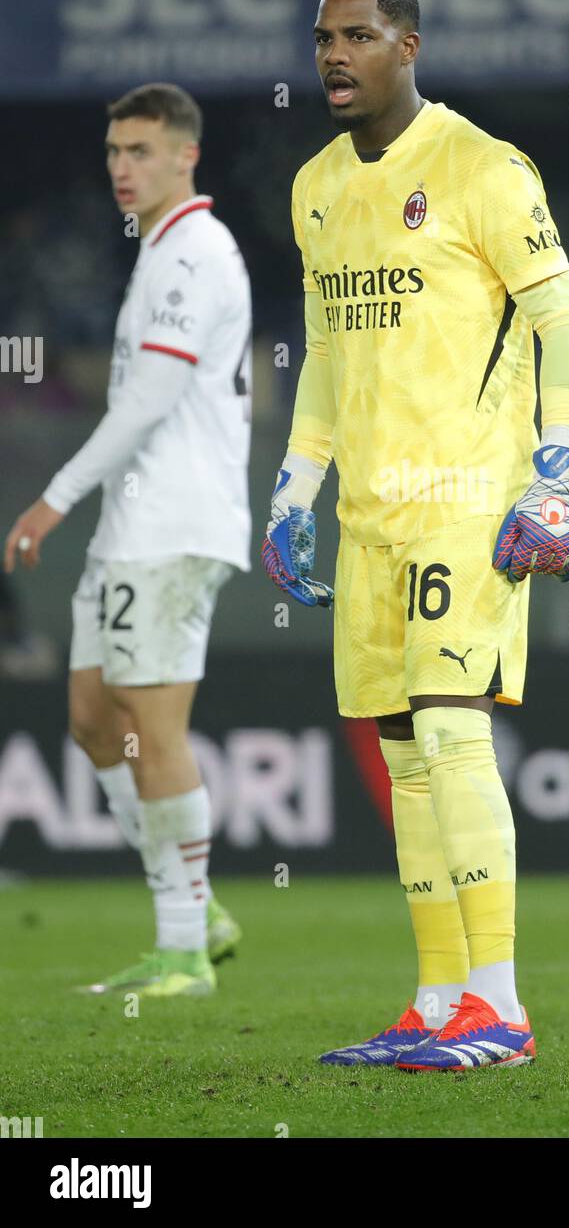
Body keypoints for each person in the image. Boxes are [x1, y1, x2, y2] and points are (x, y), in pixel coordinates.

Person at [262, 0, 569, 1070]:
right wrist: (291, 492)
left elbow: (562, 316)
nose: (333, 55)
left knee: (452, 732)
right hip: (369, 519)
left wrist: (558, 475)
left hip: (469, 500)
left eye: (357, 36)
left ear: (407, 44)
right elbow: (321, 355)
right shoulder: (313, 188)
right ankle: (439, 1002)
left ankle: (500, 1008)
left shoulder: (482, 167)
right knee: (402, 755)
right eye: (322, 39)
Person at [4, 83, 252, 998]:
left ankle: (185, 947)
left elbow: (148, 397)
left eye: (141, 150)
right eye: (114, 150)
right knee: (93, 720)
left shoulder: (194, 254)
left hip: (177, 522)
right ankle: (201, 912)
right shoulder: (156, 251)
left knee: (152, 726)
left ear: (187, 155)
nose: (121, 167)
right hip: (131, 527)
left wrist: (54, 496)